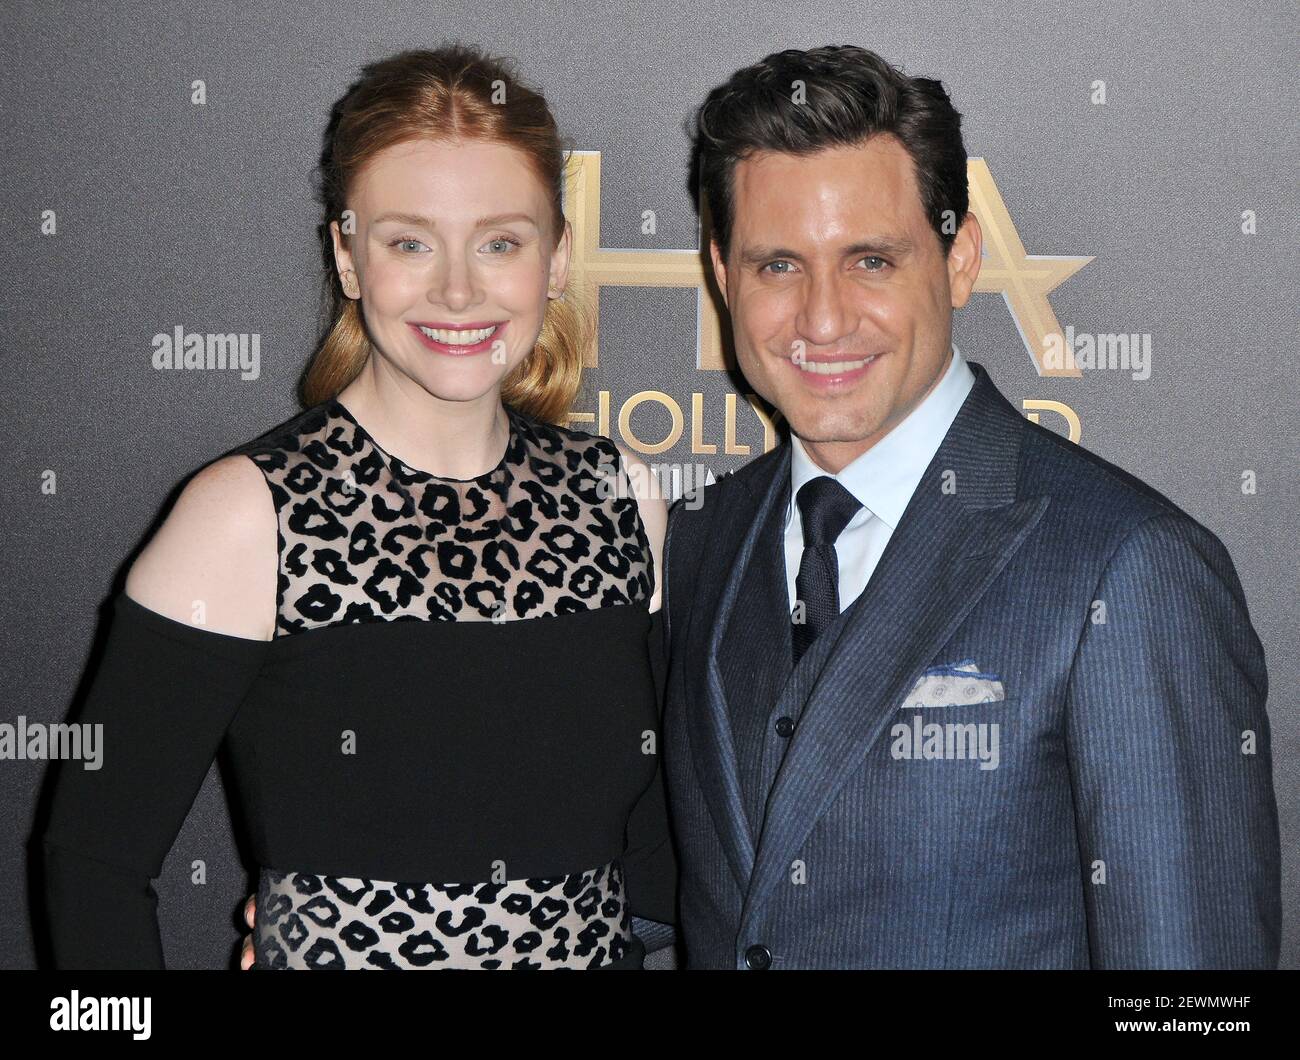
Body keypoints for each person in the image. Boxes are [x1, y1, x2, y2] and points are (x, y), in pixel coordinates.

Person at [40, 45, 677, 970]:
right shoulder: (246, 516)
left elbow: (653, 850)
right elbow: (90, 865)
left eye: (500, 240)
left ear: (557, 258)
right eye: (409, 241)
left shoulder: (622, 496)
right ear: (347, 255)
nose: (458, 289)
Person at [658, 45, 1280, 968]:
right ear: (721, 273)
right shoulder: (702, 537)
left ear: (959, 261)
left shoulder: (1128, 564)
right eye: (778, 265)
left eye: (871, 260)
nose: (823, 320)